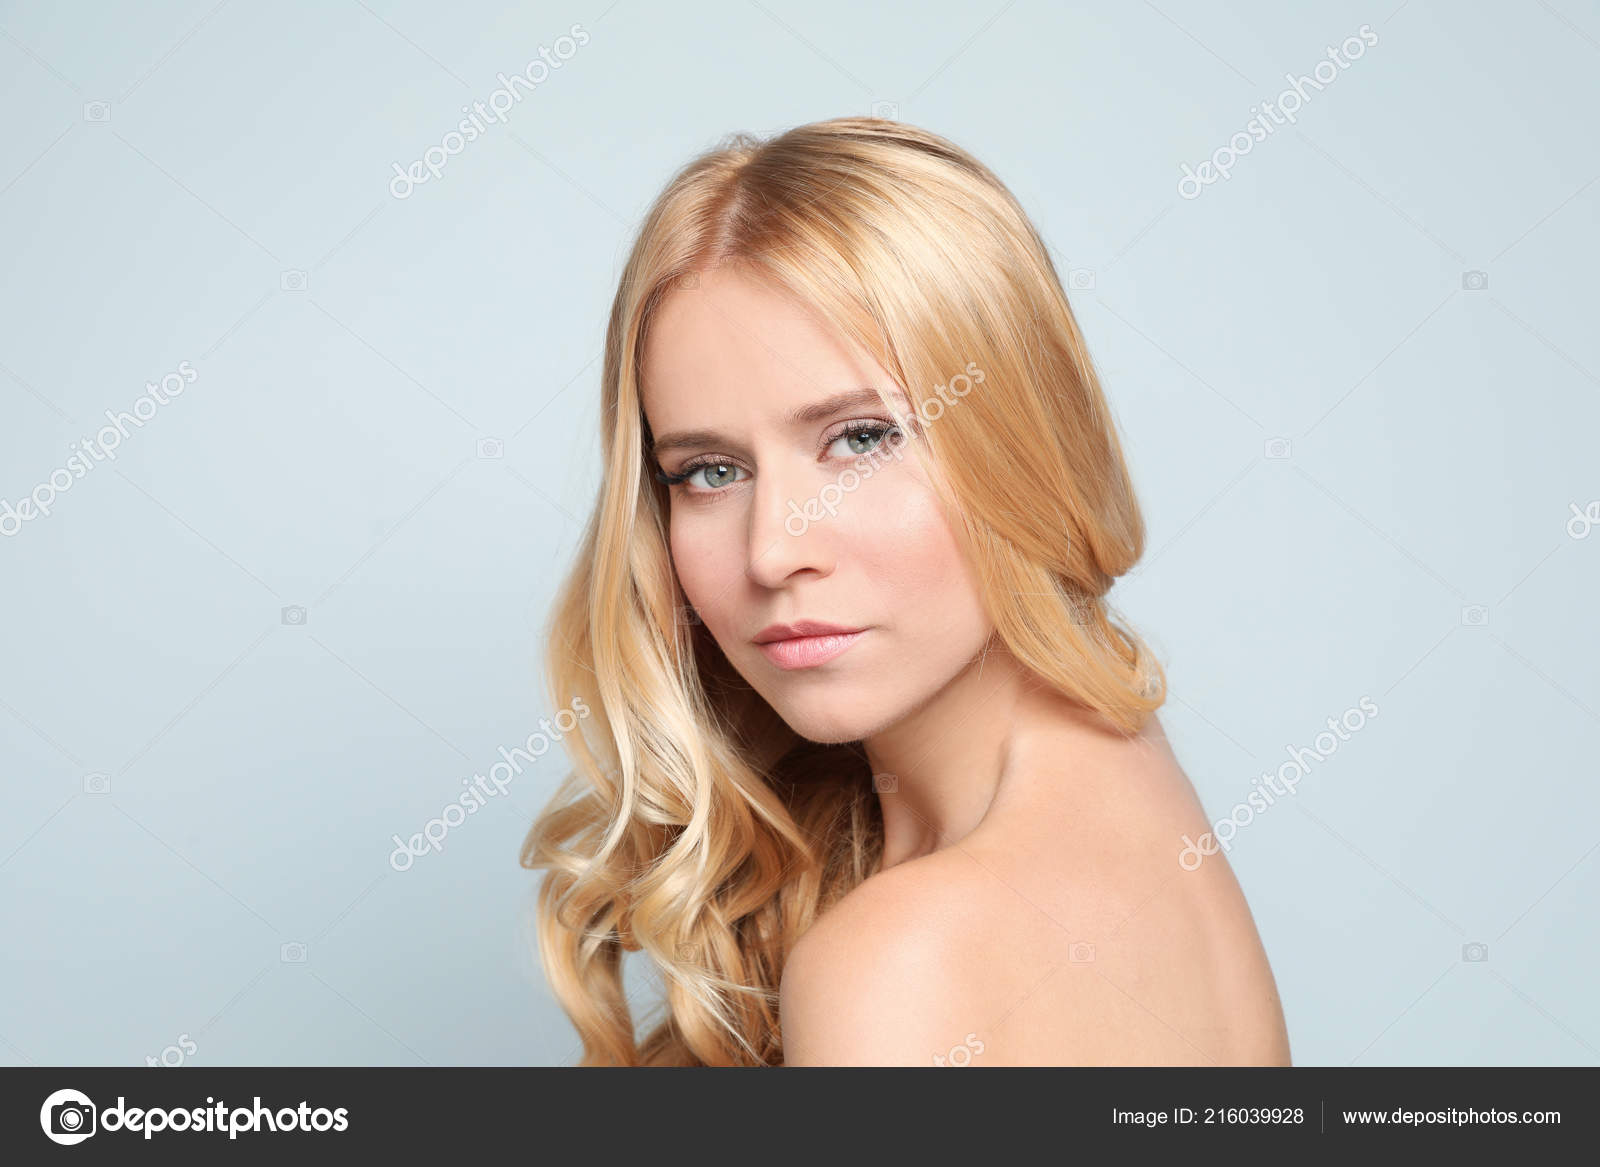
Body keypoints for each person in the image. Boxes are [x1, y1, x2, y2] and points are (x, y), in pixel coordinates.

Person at [522, 117, 1291, 1067]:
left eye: (860, 439)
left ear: (1024, 439)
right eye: (710, 471)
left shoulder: (900, 957)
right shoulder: (1126, 784)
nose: (773, 553)